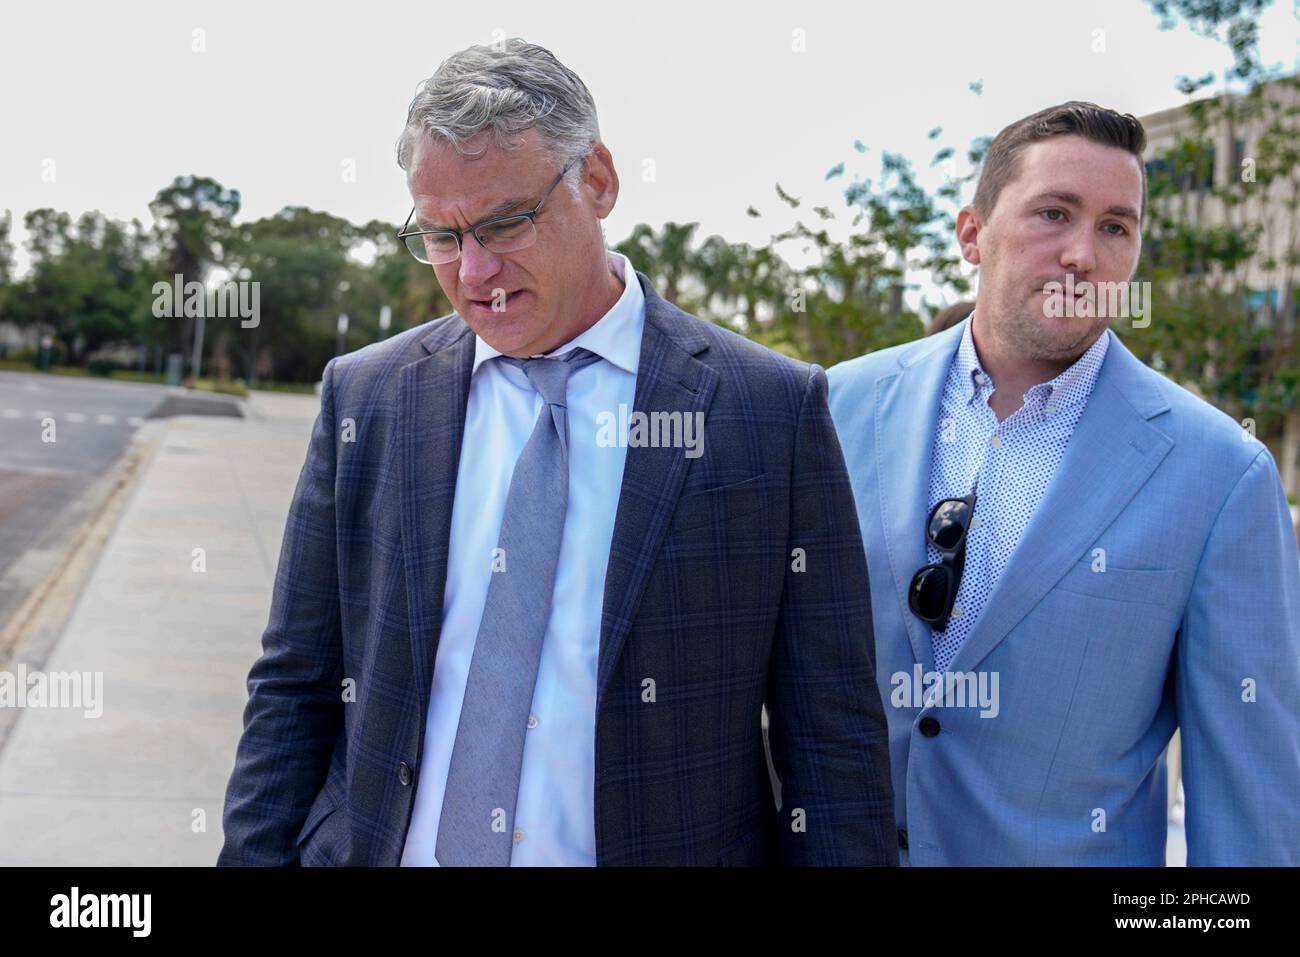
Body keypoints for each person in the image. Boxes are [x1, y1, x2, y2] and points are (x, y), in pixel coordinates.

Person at [219, 39, 894, 867]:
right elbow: (294, 683)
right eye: (440, 235)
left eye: (505, 222)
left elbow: (833, 738)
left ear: (599, 180)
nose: (475, 269)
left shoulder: (768, 410)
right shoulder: (368, 397)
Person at [828, 101, 1300, 865]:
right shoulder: (834, 407)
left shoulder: (1222, 475)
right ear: (971, 234)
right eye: (1054, 213)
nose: (1084, 253)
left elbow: (1252, 811)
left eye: (1116, 226)